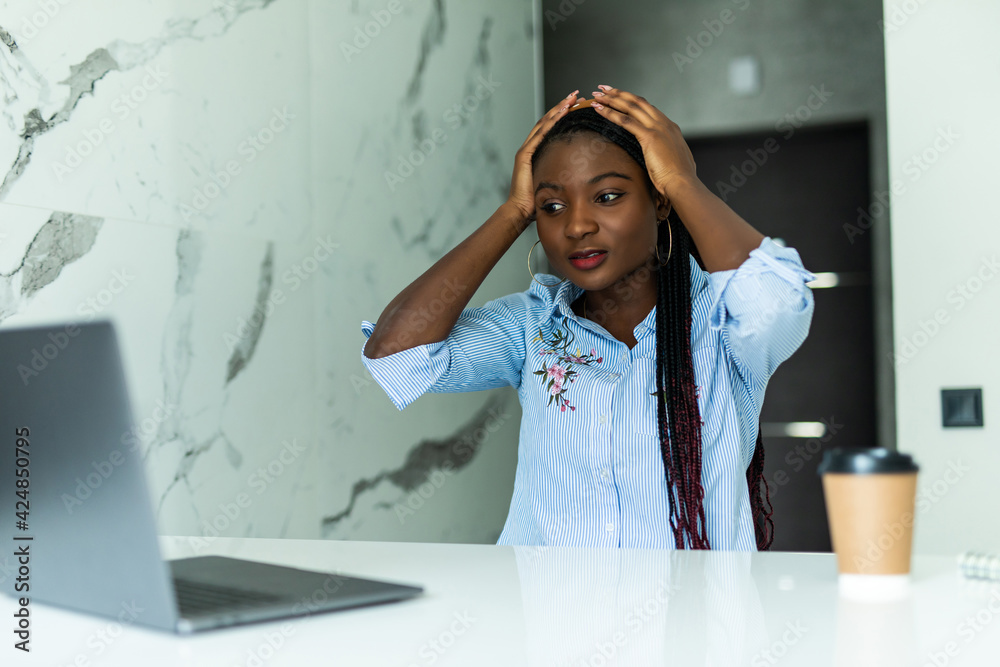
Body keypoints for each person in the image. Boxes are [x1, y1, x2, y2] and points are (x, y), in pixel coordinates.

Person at [360, 86, 815, 550]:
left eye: (608, 196)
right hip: (542, 620)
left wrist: (681, 182)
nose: (576, 225)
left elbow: (777, 303)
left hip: (694, 621)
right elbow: (397, 354)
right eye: (552, 206)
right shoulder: (532, 327)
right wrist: (512, 212)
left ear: (658, 203)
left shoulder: (722, 326)